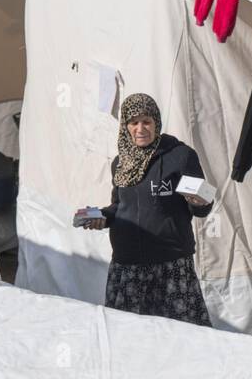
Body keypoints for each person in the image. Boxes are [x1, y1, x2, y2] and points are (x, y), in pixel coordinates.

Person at [77, 93, 214, 325]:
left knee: (182, 336)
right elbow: (119, 206)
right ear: (125, 126)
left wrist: (200, 202)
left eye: (147, 121)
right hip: (128, 267)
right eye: (134, 122)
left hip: (171, 266)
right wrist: (102, 217)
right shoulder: (120, 163)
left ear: (156, 123)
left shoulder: (181, 156)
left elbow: (202, 207)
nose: (140, 128)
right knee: (129, 336)